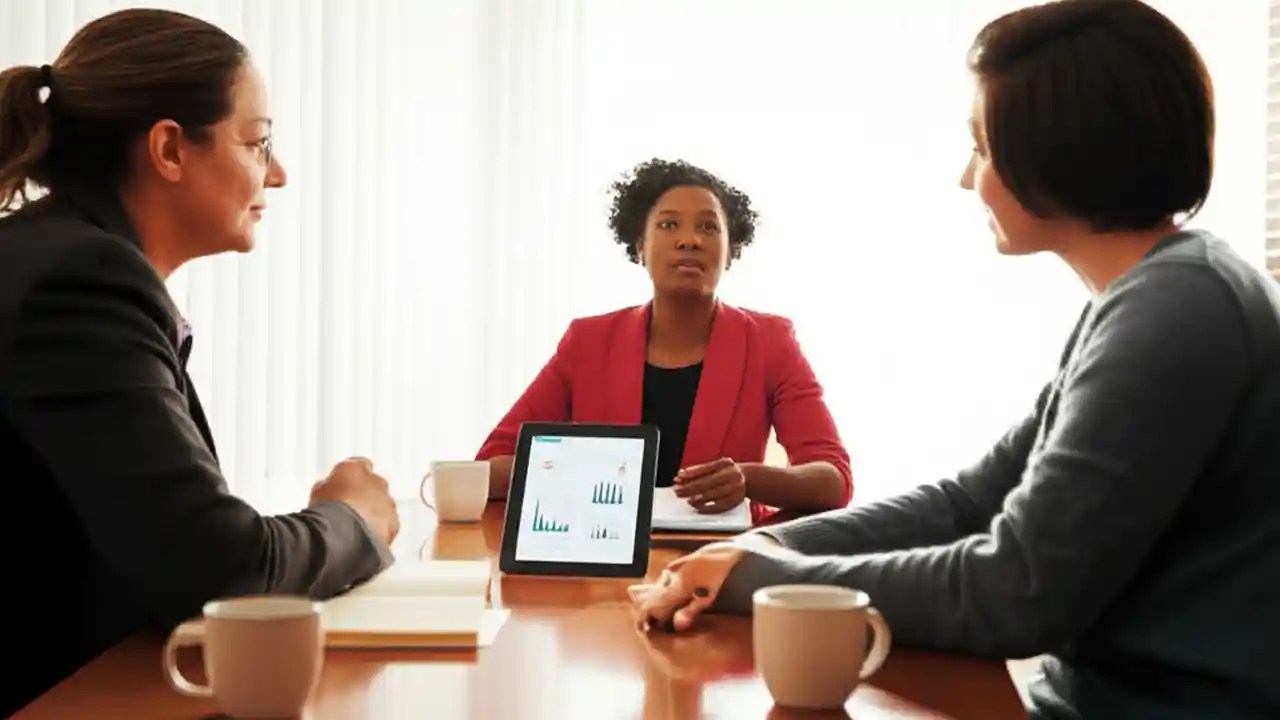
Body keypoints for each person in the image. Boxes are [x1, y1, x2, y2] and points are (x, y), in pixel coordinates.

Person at [628, 2, 1280, 718]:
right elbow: (970, 503)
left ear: (1059, 150)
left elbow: (1019, 589)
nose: (968, 178)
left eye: (984, 146)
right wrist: (768, 542)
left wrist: (757, 579)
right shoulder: (1149, 296)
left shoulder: (1176, 312)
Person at [0, 10, 398, 714]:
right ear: (170, 149)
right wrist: (354, 516)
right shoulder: (81, 282)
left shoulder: (59, 256)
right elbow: (224, 570)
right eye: (258, 141)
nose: (276, 174)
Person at [475, 159, 852, 525]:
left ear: (732, 251)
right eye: (669, 225)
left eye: (709, 228)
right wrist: (586, 474)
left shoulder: (771, 342)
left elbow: (833, 477)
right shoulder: (588, 342)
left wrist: (749, 479)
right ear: (640, 245)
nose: (689, 240)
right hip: (602, 555)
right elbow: (491, 467)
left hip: (722, 559)